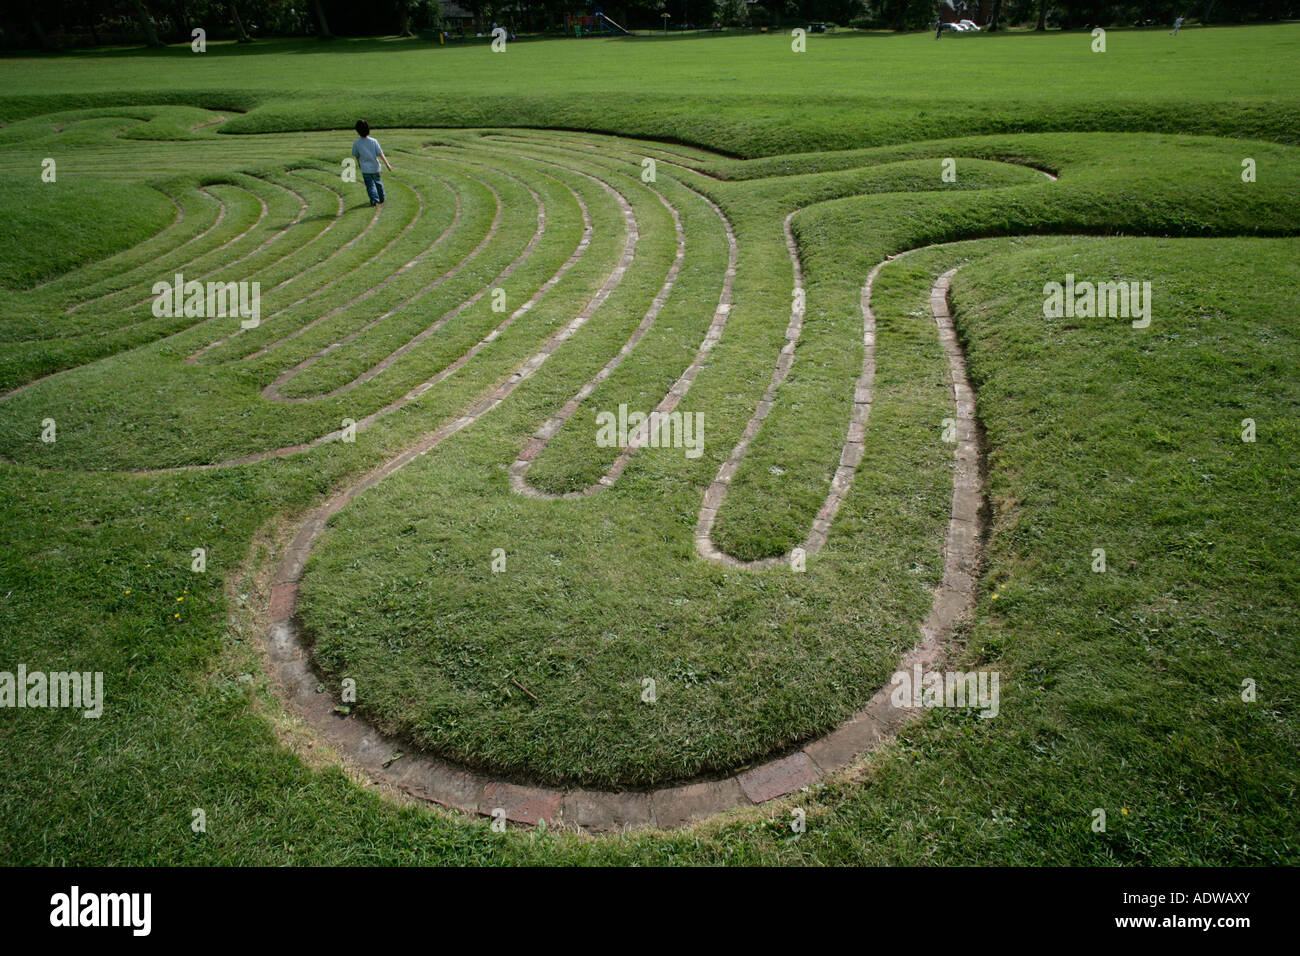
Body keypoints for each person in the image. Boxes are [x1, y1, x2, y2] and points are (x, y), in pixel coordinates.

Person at [351, 120, 392, 207]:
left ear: (358, 132)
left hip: (365, 169)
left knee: (369, 185)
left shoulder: (356, 143)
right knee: (378, 182)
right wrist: (387, 164)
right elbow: (380, 153)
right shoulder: (374, 141)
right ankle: (381, 198)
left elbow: (357, 156)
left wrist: (359, 164)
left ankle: (373, 199)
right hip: (375, 167)